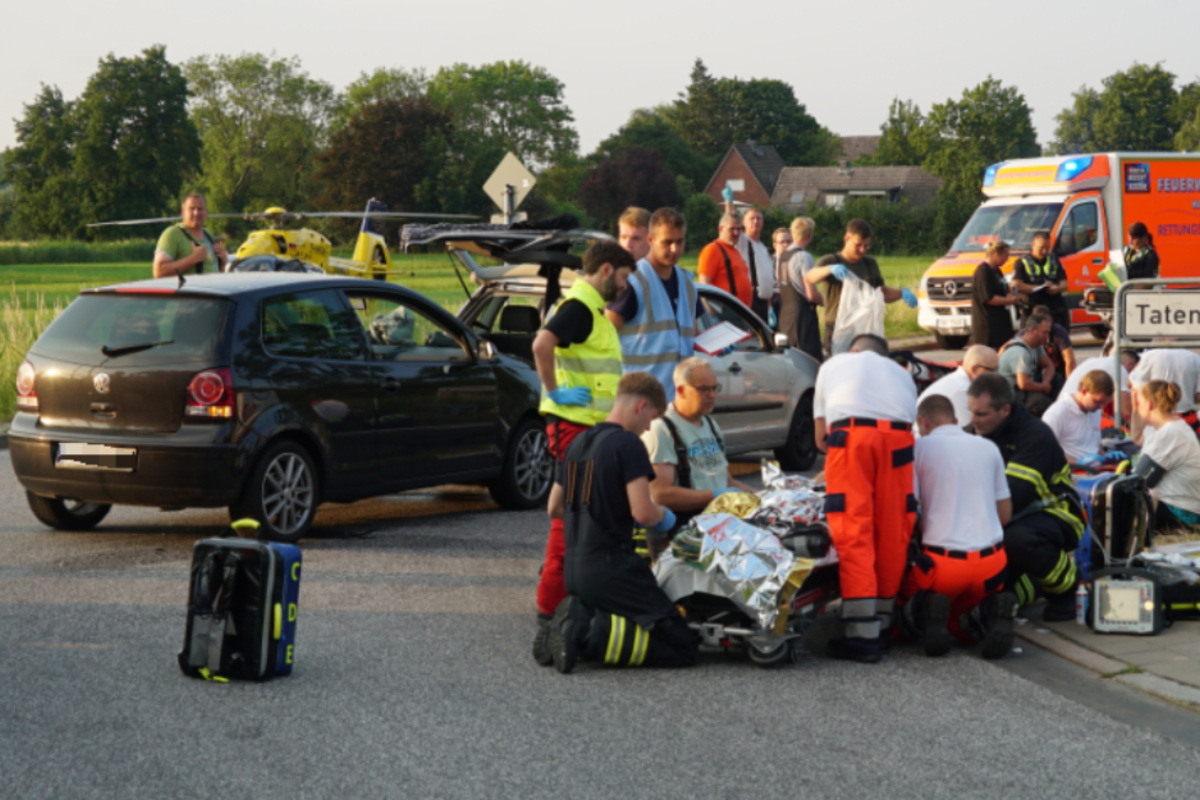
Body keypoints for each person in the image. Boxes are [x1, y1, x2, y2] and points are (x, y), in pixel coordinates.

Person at [546, 371, 700, 673]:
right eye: (651, 418)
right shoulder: (627, 445)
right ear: (641, 406)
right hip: (611, 568)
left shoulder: (578, 443)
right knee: (683, 645)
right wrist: (666, 518)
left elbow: (554, 507)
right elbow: (643, 513)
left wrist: (594, 514)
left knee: (633, 623)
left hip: (575, 571)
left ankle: (578, 622)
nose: (647, 428)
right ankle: (586, 631)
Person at [530, 241, 636, 663]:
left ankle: (562, 597)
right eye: (624, 278)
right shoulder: (579, 306)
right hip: (574, 429)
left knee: (579, 511)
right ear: (607, 269)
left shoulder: (592, 312)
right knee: (570, 513)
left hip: (587, 429)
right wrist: (556, 390)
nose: (625, 287)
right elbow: (542, 345)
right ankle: (548, 609)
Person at [813, 333, 918, 662]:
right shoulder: (903, 375)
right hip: (899, 440)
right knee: (892, 528)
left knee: (853, 526)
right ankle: (883, 624)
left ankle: (861, 635)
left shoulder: (833, 364)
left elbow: (820, 438)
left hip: (853, 437)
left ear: (853, 351)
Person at [897, 394, 1016, 659]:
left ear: (923, 422)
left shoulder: (919, 449)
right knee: (959, 623)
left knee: (899, 615)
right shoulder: (988, 447)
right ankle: (988, 612)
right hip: (992, 564)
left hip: (943, 567)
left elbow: (908, 513)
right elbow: (1005, 514)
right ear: (955, 420)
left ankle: (924, 610)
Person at [966, 373, 1084, 621]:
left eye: (981, 414)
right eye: (971, 412)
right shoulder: (978, 432)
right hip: (1013, 514)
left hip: (1056, 512)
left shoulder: (1033, 435)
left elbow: (1014, 495)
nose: (973, 421)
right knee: (999, 587)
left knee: (1016, 539)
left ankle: (1067, 590)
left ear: (1005, 409)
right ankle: (1026, 588)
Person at [641, 357, 754, 526]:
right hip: (681, 530)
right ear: (681, 391)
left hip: (715, 524)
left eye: (714, 388)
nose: (712, 395)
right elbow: (660, 494)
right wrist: (715, 496)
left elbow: (727, 481)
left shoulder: (710, 424)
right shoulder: (661, 429)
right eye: (703, 390)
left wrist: (762, 497)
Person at [606, 208, 703, 399]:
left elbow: (692, 334)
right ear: (650, 240)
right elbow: (602, 337)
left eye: (679, 242)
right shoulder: (632, 282)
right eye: (667, 242)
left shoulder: (687, 284)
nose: (674, 249)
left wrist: (713, 343)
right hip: (638, 402)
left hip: (676, 402)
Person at [805, 219, 917, 356]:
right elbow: (809, 277)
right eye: (858, 245)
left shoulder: (869, 264)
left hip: (864, 327)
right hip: (838, 328)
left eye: (866, 246)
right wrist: (829, 269)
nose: (862, 250)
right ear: (847, 239)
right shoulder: (831, 261)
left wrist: (902, 293)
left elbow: (882, 293)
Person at [1132, 380, 1200, 532]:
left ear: (1149, 404)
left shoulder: (1170, 434)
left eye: (1139, 403)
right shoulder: (1167, 427)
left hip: (1182, 513)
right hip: (1183, 507)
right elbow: (1136, 437)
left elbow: (1138, 479)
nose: (1137, 407)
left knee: (1126, 498)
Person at [915, 344, 999, 429]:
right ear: (974, 369)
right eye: (992, 370)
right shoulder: (962, 390)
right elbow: (970, 433)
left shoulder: (961, 383)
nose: (997, 375)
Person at [1128, 348, 1200, 444]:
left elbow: (1131, 384)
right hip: (1189, 421)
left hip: (1159, 420)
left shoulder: (1147, 356)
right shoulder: (1195, 358)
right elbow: (1198, 396)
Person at [1041, 370, 1115, 463]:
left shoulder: (1094, 409)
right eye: (1098, 402)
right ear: (1084, 391)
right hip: (1072, 471)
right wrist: (1078, 461)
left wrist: (1105, 457)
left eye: (1105, 403)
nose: (1102, 407)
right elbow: (1045, 452)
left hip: (1095, 469)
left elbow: (1095, 445)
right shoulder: (1057, 413)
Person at [777, 217, 823, 361]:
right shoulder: (804, 257)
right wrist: (829, 302)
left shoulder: (782, 257)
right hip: (802, 317)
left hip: (785, 315)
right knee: (809, 362)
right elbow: (811, 293)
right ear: (810, 235)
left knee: (790, 361)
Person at [722, 199, 776, 321]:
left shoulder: (762, 247)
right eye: (752, 218)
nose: (756, 221)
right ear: (743, 223)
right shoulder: (742, 241)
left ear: (763, 223)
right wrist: (729, 202)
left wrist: (769, 303)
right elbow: (730, 220)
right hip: (750, 301)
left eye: (759, 218)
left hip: (763, 303)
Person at [153, 193, 228, 278]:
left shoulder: (208, 235)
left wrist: (222, 264)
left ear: (206, 213)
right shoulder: (173, 234)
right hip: (189, 291)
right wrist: (194, 258)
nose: (196, 213)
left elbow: (215, 272)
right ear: (183, 212)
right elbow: (159, 272)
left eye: (200, 209)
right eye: (192, 209)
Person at [998, 312, 1057, 416]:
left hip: (1025, 387)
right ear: (1032, 330)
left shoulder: (1036, 346)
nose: (1047, 337)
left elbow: (1049, 366)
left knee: (1057, 379)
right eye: (1045, 333)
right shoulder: (1020, 353)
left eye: (1048, 333)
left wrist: (1046, 381)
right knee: (1042, 402)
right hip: (1011, 394)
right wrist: (1042, 387)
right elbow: (1023, 384)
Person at [1012, 232, 1069, 328]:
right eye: (1041, 248)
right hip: (1032, 311)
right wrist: (1038, 287)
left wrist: (1057, 288)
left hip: (1054, 310)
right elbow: (1017, 285)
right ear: (1033, 245)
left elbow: (1065, 284)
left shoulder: (1054, 261)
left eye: (1047, 248)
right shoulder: (1021, 262)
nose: (1045, 251)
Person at [969, 240, 1020, 349]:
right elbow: (988, 298)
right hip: (988, 327)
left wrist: (1011, 293)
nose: (1007, 259)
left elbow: (1003, 288)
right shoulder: (983, 272)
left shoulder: (997, 271)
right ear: (997, 255)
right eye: (1006, 255)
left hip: (1000, 324)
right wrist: (1010, 301)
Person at [697, 211, 753, 307]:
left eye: (738, 229)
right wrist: (710, 315)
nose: (736, 233)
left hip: (741, 311)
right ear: (720, 229)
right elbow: (703, 285)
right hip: (726, 311)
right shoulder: (712, 250)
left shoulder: (734, 251)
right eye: (731, 229)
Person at [1029, 304, 1075, 389]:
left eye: (1047, 323)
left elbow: (1070, 361)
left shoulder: (1058, 332)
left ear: (1051, 320)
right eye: (1041, 325)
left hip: (1057, 373)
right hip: (1035, 374)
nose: (1045, 328)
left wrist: (1069, 387)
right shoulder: (1026, 334)